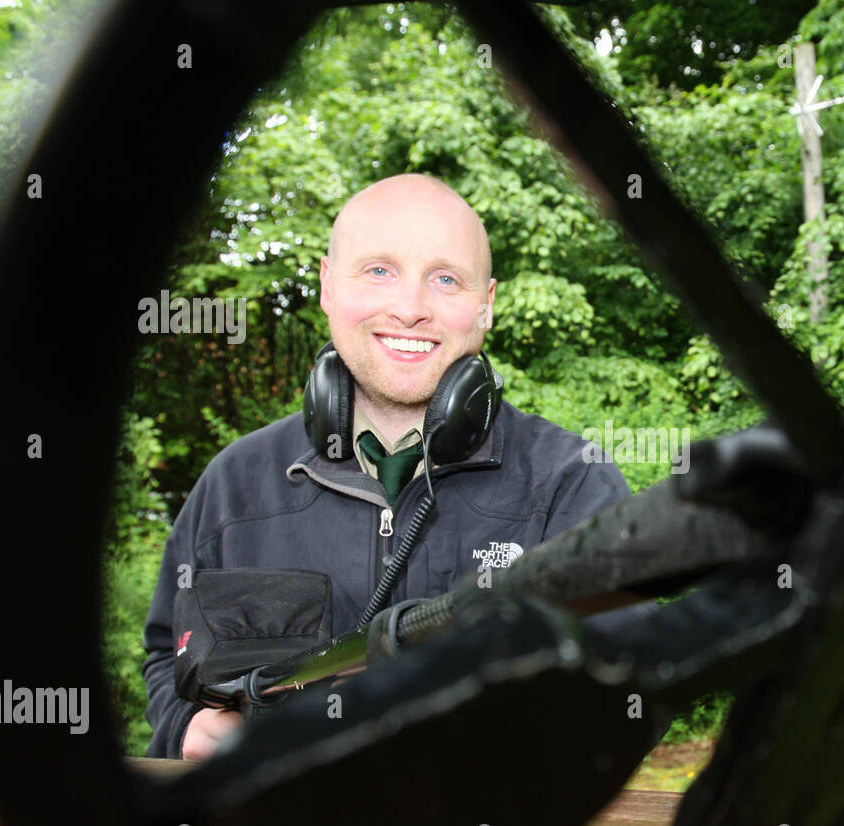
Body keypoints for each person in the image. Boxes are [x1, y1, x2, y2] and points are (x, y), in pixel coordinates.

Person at [141, 174, 640, 760]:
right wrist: (188, 727)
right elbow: (166, 656)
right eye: (378, 270)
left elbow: (623, 687)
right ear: (328, 286)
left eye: (446, 279)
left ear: (487, 306)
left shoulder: (572, 484)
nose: (408, 309)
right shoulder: (233, 484)